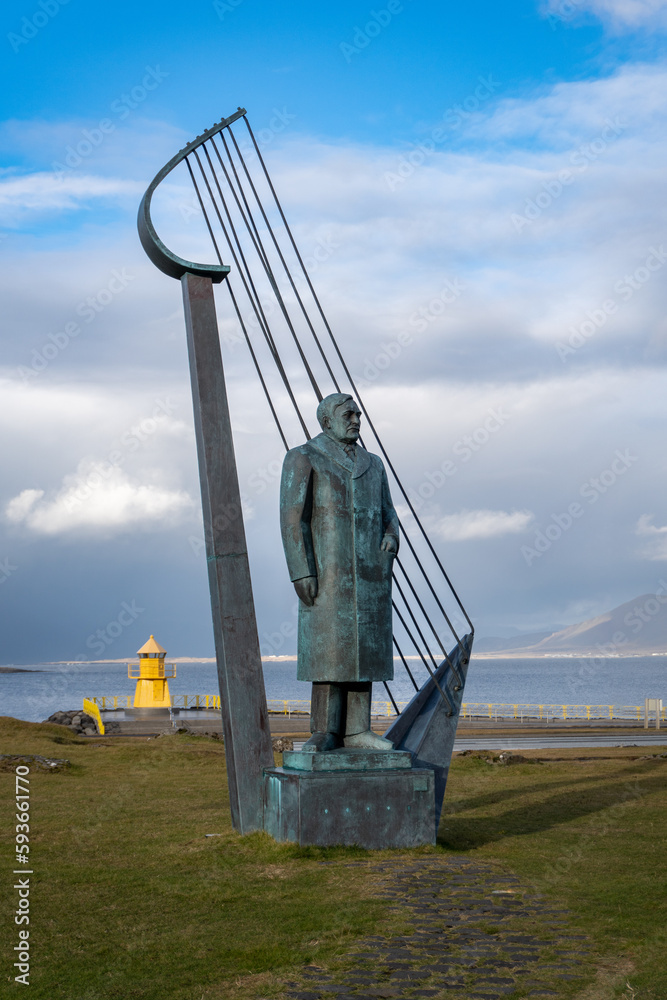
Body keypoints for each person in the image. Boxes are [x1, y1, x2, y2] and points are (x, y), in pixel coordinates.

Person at [280, 393, 399, 751]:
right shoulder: (303, 457)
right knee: (330, 652)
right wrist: (301, 571)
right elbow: (291, 519)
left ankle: (358, 730)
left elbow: (388, 512)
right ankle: (325, 731)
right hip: (328, 574)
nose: (356, 420)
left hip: (370, 575)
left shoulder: (373, 464)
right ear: (326, 420)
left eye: (358, 414)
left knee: (365, 651)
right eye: (348, 414)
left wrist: (392, 536)